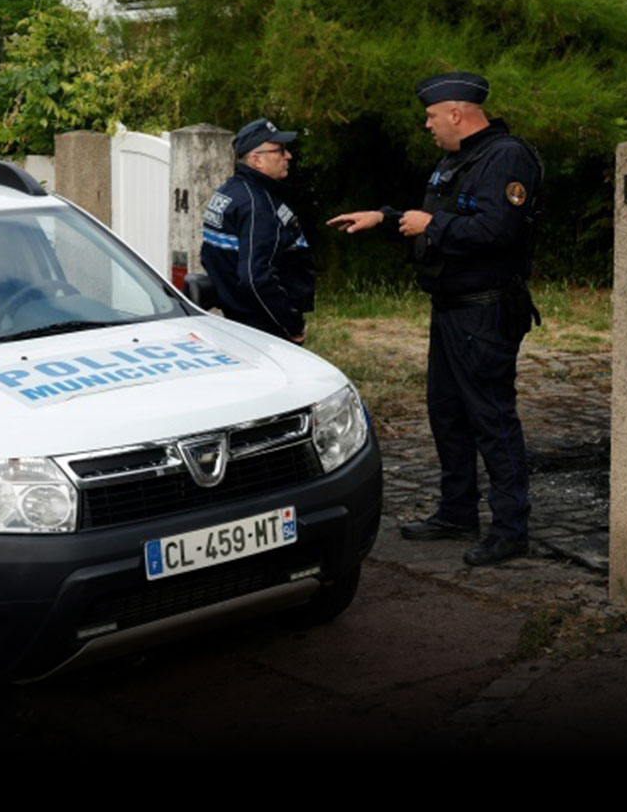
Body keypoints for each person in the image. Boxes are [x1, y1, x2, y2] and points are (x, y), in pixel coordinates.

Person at [327, 72, 543, 566]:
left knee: (492, 418)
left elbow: (499, 228)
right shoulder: (458, 159)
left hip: (484, 311)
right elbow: (440, 218)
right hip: (450, 310)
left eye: (430, 116)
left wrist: (434, 225)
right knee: (447, 415)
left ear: (455, 114)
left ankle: (511, 529)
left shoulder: (505, 156)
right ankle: (457, 511)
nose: (426, 125)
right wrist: (386, 217)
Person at [201, 118, 314, 342]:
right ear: (256, 160)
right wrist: (291, 323)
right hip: (263, 328)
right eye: (280, 150)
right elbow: (255, 278)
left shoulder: (232, 190)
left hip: (238, 322)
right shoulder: (257, 205)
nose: (288, 156)